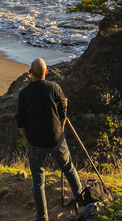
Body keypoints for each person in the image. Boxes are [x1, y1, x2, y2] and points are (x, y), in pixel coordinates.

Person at [16, 58, 83, 221]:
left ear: (30, 72)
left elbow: (20, 124)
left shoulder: (24, 93)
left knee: (38, 180)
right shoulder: (55, 88)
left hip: (35, 143)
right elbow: (63, 115)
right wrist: (59, 131)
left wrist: (29, 139)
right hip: (56, 140)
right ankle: (83, 202)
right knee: (68, 168)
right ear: (46, 72)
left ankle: (42, 217)